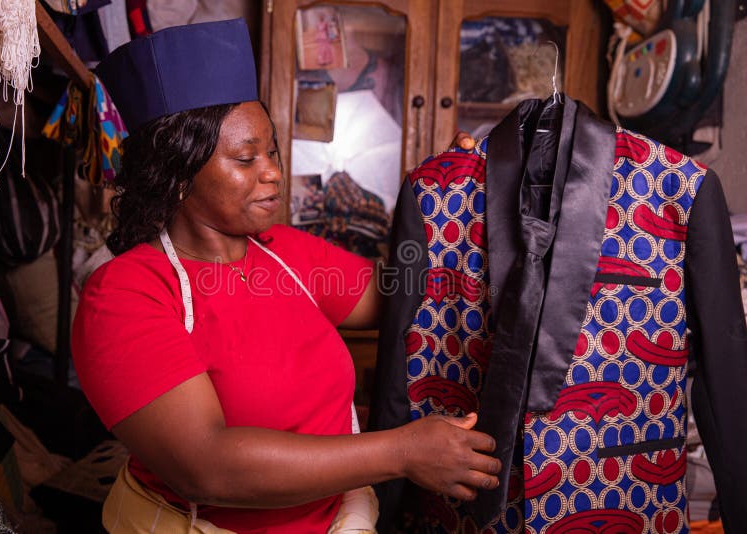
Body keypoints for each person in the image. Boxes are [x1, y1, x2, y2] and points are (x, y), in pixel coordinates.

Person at [72, 18, 495, 533]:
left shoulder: (282, 254)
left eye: (271, 151)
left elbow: (407, 296)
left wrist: (453, 200)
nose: (272, 171)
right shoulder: (125, 294)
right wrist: (404, 451)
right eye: (245, 158)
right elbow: (205, 466)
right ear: (176, 173)